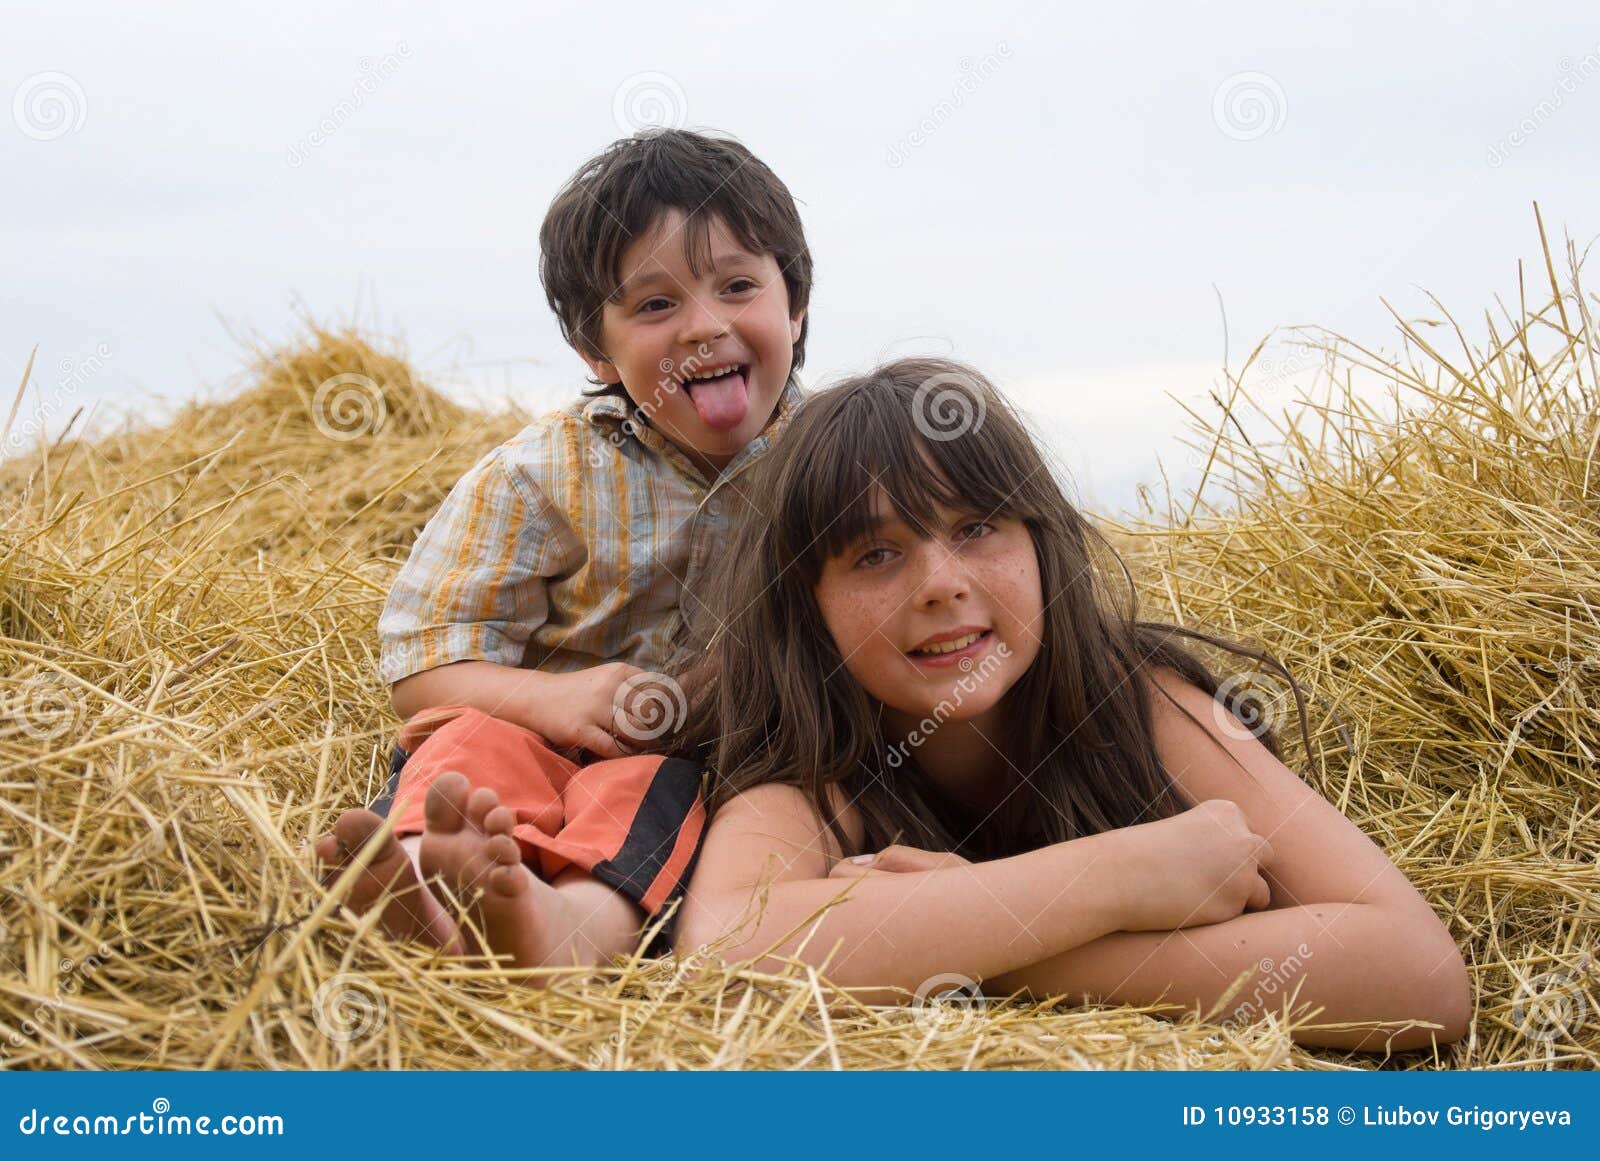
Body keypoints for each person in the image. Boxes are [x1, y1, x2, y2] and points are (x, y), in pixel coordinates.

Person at [667, 357, 1471, 1052]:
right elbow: (725, 961)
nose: (942, 582)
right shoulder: (812, 755)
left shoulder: (1138, 701)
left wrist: (973, 937)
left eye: (977, 526)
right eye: (876, 553)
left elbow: (1423, 975)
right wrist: (1117, 879)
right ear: (809, 608)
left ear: (1041, 543)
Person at [314, 127, 811, 973]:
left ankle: (556, 931)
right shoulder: (538, 476)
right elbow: (423, 657)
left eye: (738, 285)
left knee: (651, 795)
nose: (705, 326)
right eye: (655, 305)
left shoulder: (831, 463)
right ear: (595, 349)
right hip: (536, 726)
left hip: (686, 756)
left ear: (794, 307)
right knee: (468, 747)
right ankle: (420, 892)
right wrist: (551, 703)